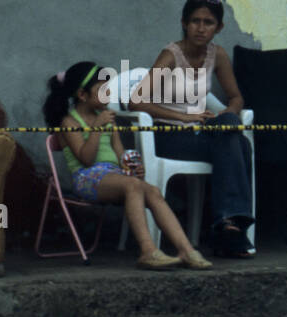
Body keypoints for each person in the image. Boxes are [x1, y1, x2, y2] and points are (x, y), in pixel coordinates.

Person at [44, 61, 212, 271]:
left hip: (113, 176)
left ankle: (186, 250)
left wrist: (132, 166)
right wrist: (96, 128)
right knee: (132, 186)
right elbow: (86, 159)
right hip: (87, 178)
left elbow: (120, 154)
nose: (109, 95)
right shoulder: (70, 123)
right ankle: (148, 251)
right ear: (82, 95)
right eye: (103, 90)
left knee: (151, 190)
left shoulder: (107, 119)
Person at [131, 0, 255, 258]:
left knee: (231, 129)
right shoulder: (172, 55)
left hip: (199, 135)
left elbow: (236, 98)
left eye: (208, 22)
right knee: (239, 143)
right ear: (185, 23)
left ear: (218, 27)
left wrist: (226, 114)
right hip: (169, 135)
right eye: (195, 21)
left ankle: (227, 225)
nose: (201, 28)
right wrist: (184, 117)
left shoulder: (217, 55)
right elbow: (136, 102)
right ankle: (229, 226)